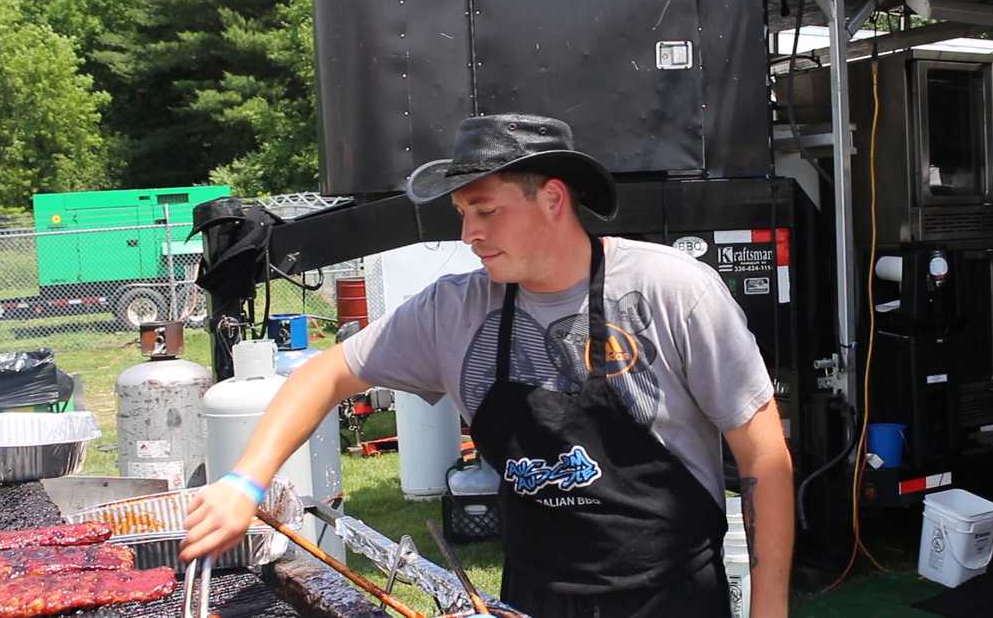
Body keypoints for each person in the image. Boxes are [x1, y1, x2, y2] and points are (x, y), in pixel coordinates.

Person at [181, 113, 794, 617]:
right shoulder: (455, 310)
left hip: (674, 602)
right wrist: (244, 482)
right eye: (462, 213)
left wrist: (769, 610)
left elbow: (764, 456)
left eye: (486, 210)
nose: (469, 233)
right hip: (530, 600)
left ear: (553, 198)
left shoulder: (672, 291)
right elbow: (324, 374)